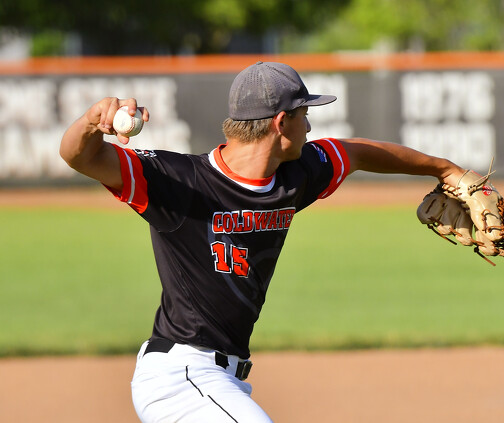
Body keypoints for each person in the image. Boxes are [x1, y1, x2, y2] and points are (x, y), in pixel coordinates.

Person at [60, 61, 465, 423]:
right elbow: (81, 157)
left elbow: (356, 153)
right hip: (180, 377)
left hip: (223, 383)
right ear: (281, 123)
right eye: (305, 115)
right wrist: (93, 122)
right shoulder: (178, 181)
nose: (310, 126)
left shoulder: (295, 175)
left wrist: (444, 170)